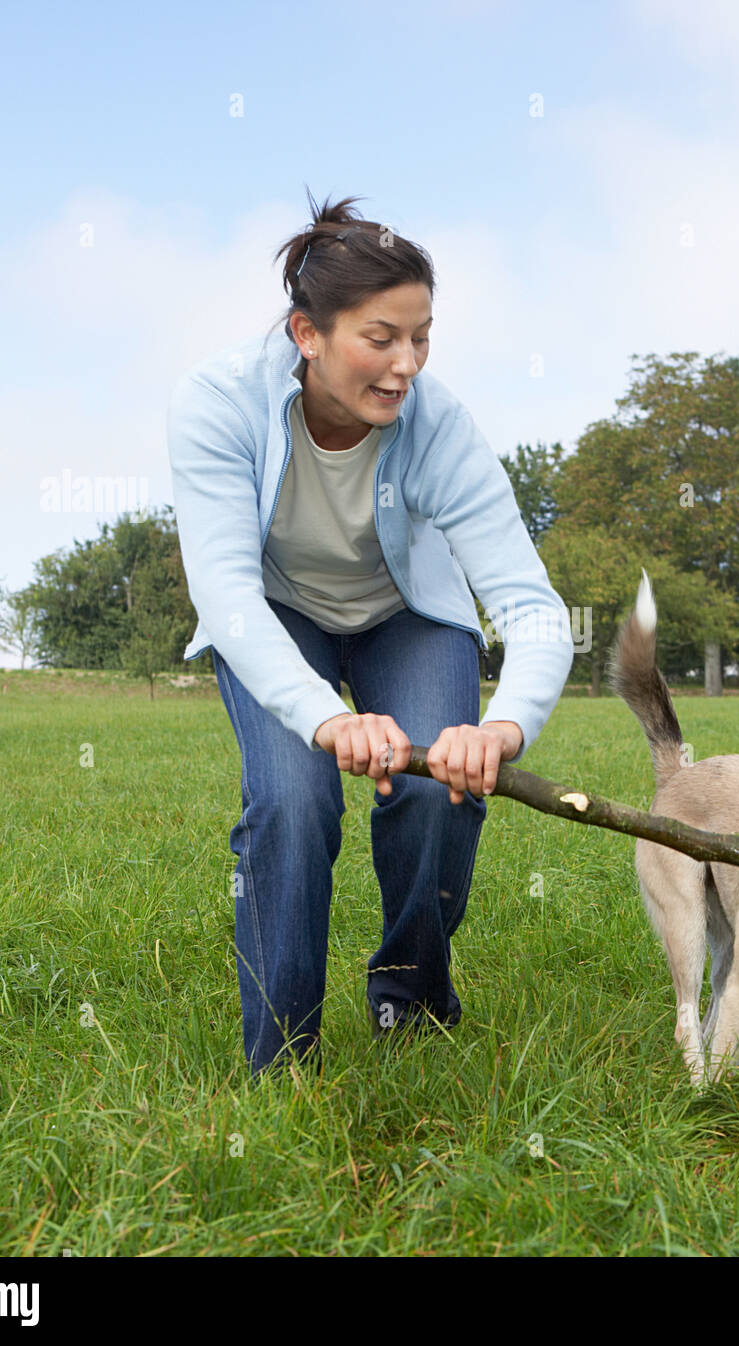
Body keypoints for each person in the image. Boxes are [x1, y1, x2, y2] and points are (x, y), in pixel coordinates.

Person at [167, 191, 574, 1076]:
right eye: (380, 338)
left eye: (421, 337)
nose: (405, 366)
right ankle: (282, 1053)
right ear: (306, 334)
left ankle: (410, 998)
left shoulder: (442, 428)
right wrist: (325, 718)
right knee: (291, 800)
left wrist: (500, 729)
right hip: (277, 618)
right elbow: (227, 594)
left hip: (406, 617)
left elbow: (532, 604)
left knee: (437, 792)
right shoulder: (217, 403)